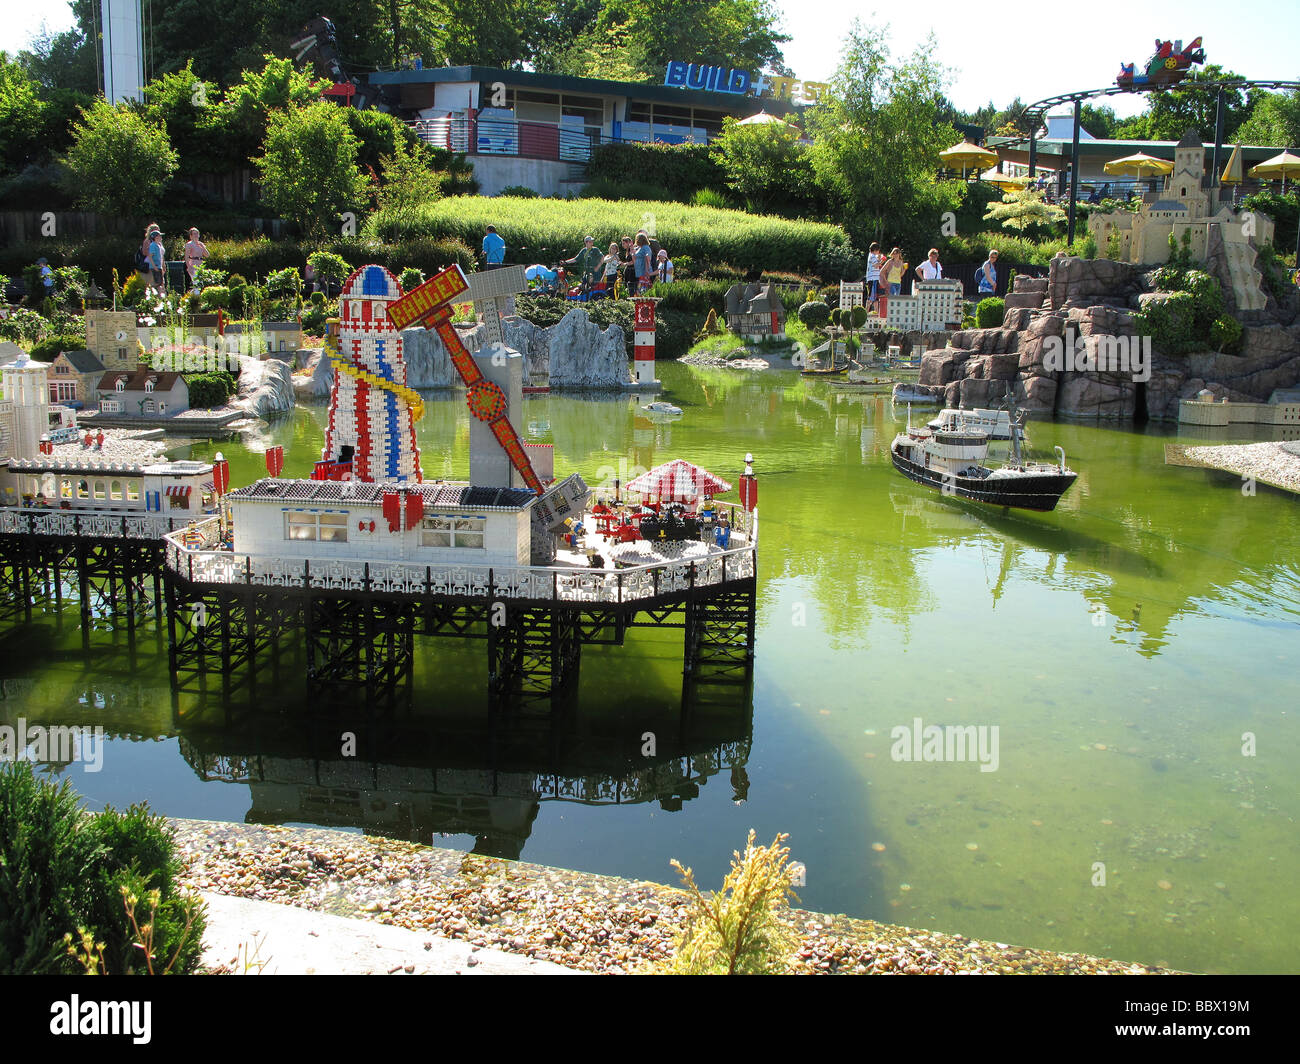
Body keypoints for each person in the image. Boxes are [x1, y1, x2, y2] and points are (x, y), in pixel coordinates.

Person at [865, 241, 884, 307]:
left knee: (875, 297)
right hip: (873, 279)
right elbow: (876, 265)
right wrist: (883, 260)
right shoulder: (872, 256)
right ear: (875, 250)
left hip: (874, 278)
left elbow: (876, 263)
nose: (878, 252)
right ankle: (866, 311)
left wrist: (879, 259)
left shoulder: (871, 256)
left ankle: (875, 312)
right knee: (871, 296)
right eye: (878, 250)